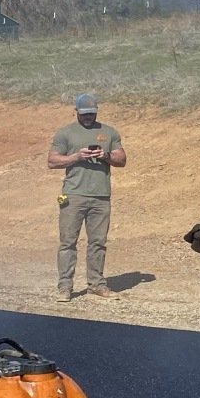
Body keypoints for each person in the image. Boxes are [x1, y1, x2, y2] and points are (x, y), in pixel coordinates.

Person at [48, 92, 126, 300]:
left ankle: (97, 284)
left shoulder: (109, 132)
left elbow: (122, 159)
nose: (88, 117)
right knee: (67, 242)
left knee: (98, 242)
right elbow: (52, 161)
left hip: (101, 196)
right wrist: (76, 156)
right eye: (84, 114)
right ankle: (65, 287)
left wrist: (105, 155)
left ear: (96, 111)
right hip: (73, 195)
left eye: (91, 113)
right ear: (76, 112)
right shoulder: (66, 133)